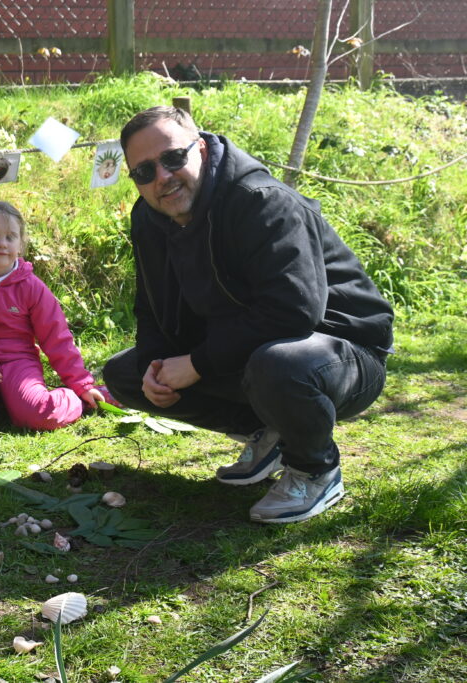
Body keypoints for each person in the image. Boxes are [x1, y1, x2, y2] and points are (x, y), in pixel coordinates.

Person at [103, 106, 393, 524]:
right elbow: (151, 305)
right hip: (252, 350)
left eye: (172, 158)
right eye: (144, 171)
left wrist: (198, 363)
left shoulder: (261, 201)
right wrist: (156, 362)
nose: (162, 178)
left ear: (200, 148)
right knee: (127, 373)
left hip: (341, 353)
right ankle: (271, 432)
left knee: (278, 365)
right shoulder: (149, 219)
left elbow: (293, 311)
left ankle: (315, 470)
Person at [0, 201, 106, 431]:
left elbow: (57, 338)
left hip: (19, 363)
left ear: (20, 244)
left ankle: (71, 399)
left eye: (10, 237)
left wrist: (81, 385)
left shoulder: (32, 287)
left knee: (39, 416)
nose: (1, 244)